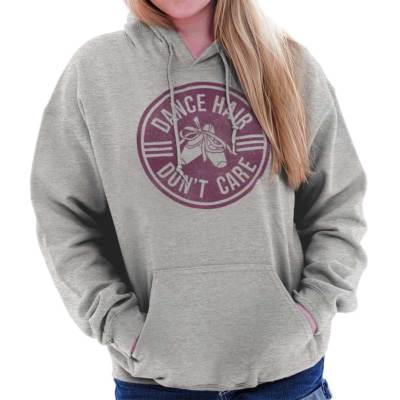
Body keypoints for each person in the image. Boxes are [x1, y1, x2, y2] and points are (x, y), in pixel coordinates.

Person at [30, 0, 367, 399]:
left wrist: (312, 310)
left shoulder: (289, 64)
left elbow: (338, 208)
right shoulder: (96, 70)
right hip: (154, 383)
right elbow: (64, 219)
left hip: (286, 377)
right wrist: (121, 326)